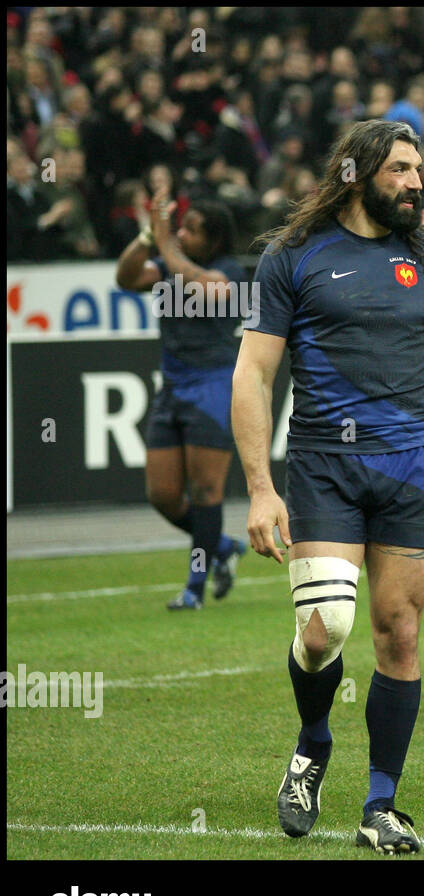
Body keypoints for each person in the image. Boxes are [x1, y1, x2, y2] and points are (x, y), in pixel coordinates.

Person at [232, 119, 424, 853]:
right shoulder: (293, 257)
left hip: (412, 471)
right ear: (356, 173)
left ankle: (381, 803)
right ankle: (313, 741)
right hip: (323, 467)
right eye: (401, 170)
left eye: (420, 170)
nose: (417, 183)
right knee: (325, 633)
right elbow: (253, 375)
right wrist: (259, 488)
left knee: (400, 636)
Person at [115, 192, 247, 610]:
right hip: (171, 389)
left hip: (212, 388)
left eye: (192, 230)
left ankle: (194, 588)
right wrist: (145, 236)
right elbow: (125, 278)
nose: (183, 235)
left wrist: (167, 242)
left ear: (214, 240)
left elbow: (208, 291)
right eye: (182, 227)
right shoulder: (170, 267)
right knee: (163, 494)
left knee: (206, 491)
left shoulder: (230, 272)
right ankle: (223, 546)